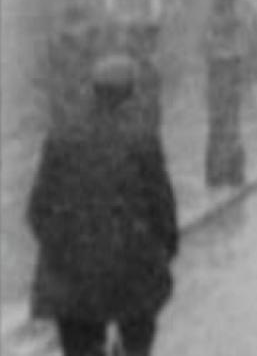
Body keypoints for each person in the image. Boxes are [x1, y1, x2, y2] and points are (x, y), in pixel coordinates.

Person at [27, 53, 179, 356]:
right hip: (131, 271)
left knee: (79, 342)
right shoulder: (141, 138)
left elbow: (38, 208)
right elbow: (162, 206)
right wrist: (164, 247)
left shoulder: (62, 135)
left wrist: (61, 248)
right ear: (130, 92)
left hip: (72, 277)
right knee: (138, 335)